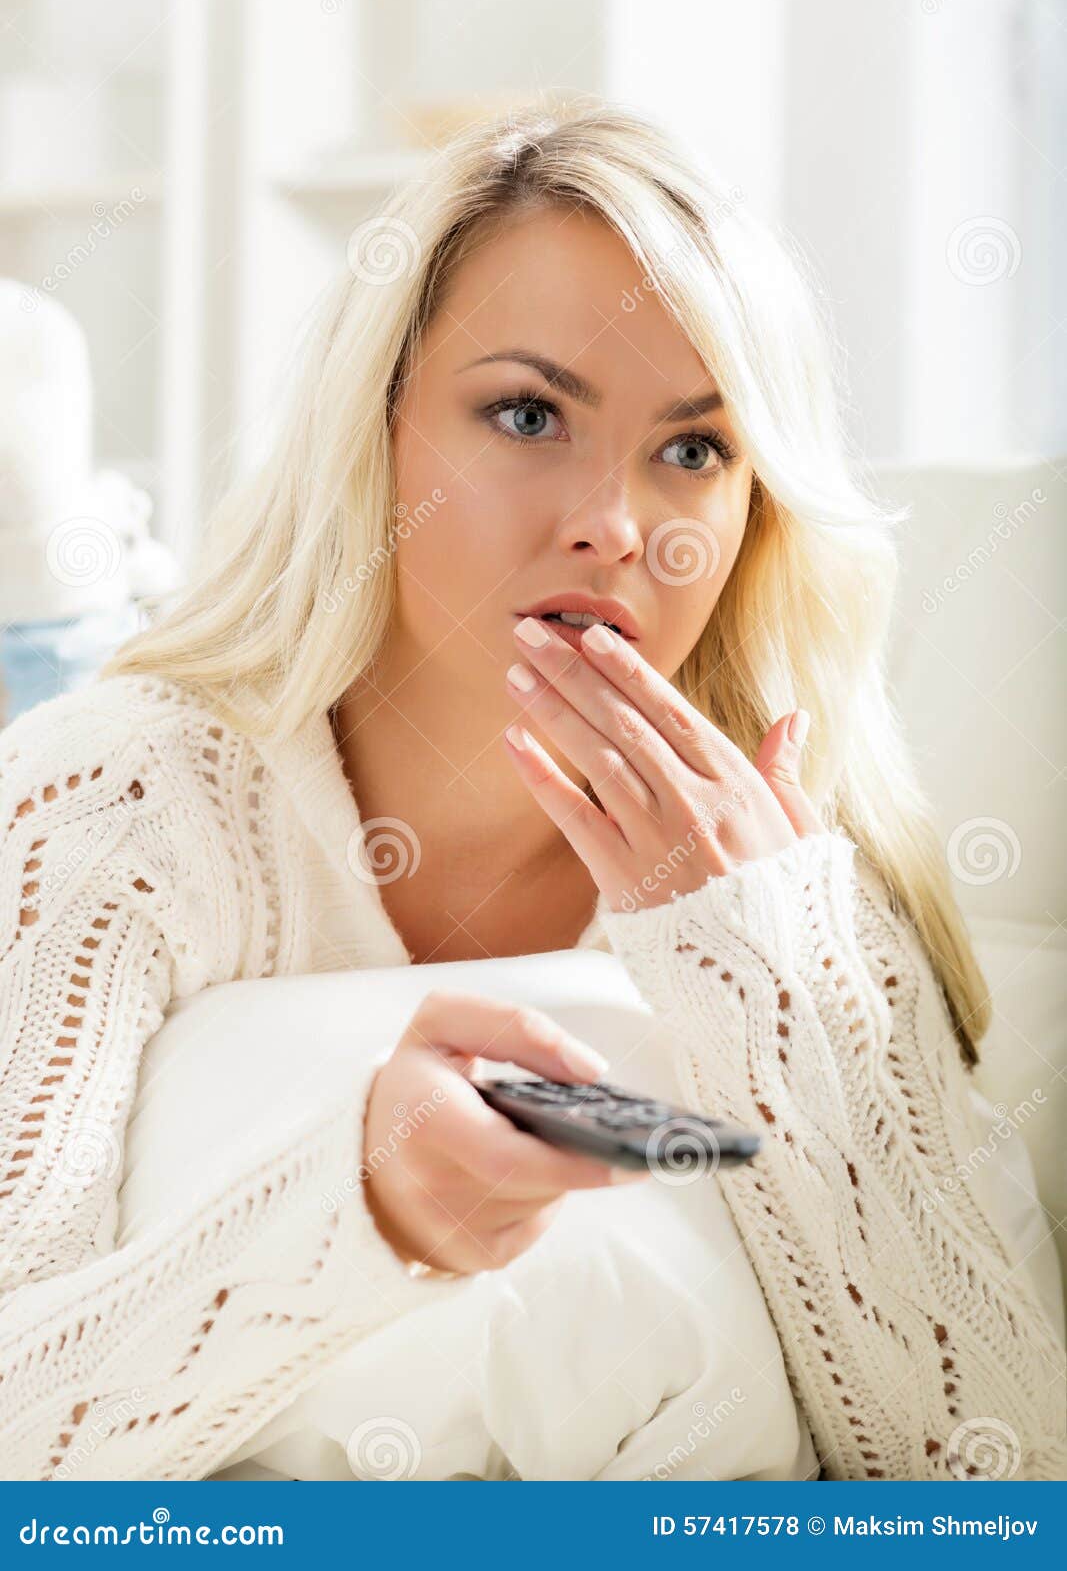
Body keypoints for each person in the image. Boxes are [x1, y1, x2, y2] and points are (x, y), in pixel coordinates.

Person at [1, 97, 1063, 1481]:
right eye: (527, 412)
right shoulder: (113, 799)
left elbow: (999, 1479)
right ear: (376, 433)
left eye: (695, 449)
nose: (615, 527)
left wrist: (769, 977)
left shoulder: (806, 874)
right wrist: (365, 1209)